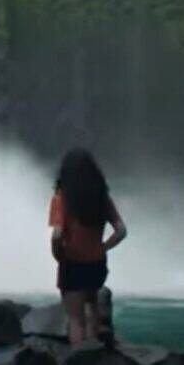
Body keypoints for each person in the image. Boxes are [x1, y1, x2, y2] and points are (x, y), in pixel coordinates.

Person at [49, 147, 127, 346]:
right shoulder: (102, 199)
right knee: (93, 312)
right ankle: (97, 354)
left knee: (76, 321)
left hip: (73, 263)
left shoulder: (61, 199)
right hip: (97, 264)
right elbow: (121, 231)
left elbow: (57, 234)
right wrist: (103, 247)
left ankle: (81, 357)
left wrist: (58, 253)